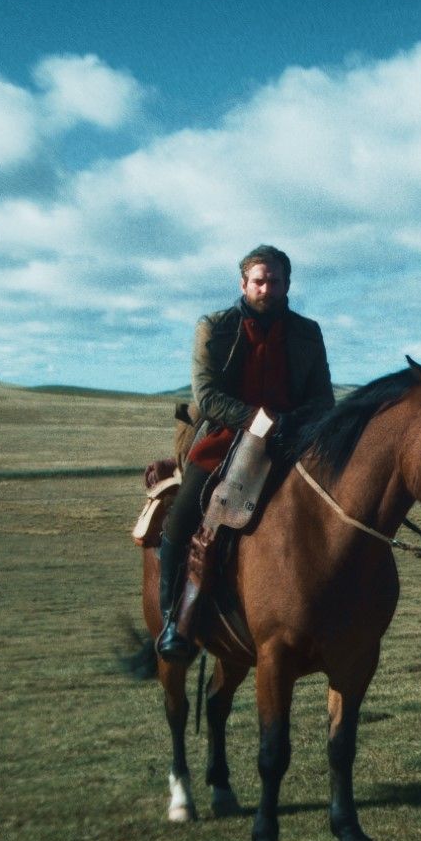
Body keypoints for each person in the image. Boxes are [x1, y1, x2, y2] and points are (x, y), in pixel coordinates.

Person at [155, 244, 334, 663]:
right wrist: (256, 418)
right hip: (227, 437)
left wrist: (289, 422)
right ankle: (173, 618)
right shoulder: (215, 328)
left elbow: (323, 398)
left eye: (274, 281)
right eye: (258, 281)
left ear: (287, 285)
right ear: (243, 284)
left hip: (292, 438)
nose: (266, 288)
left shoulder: (307, 332)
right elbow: (207, 396)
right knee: (181, 519)